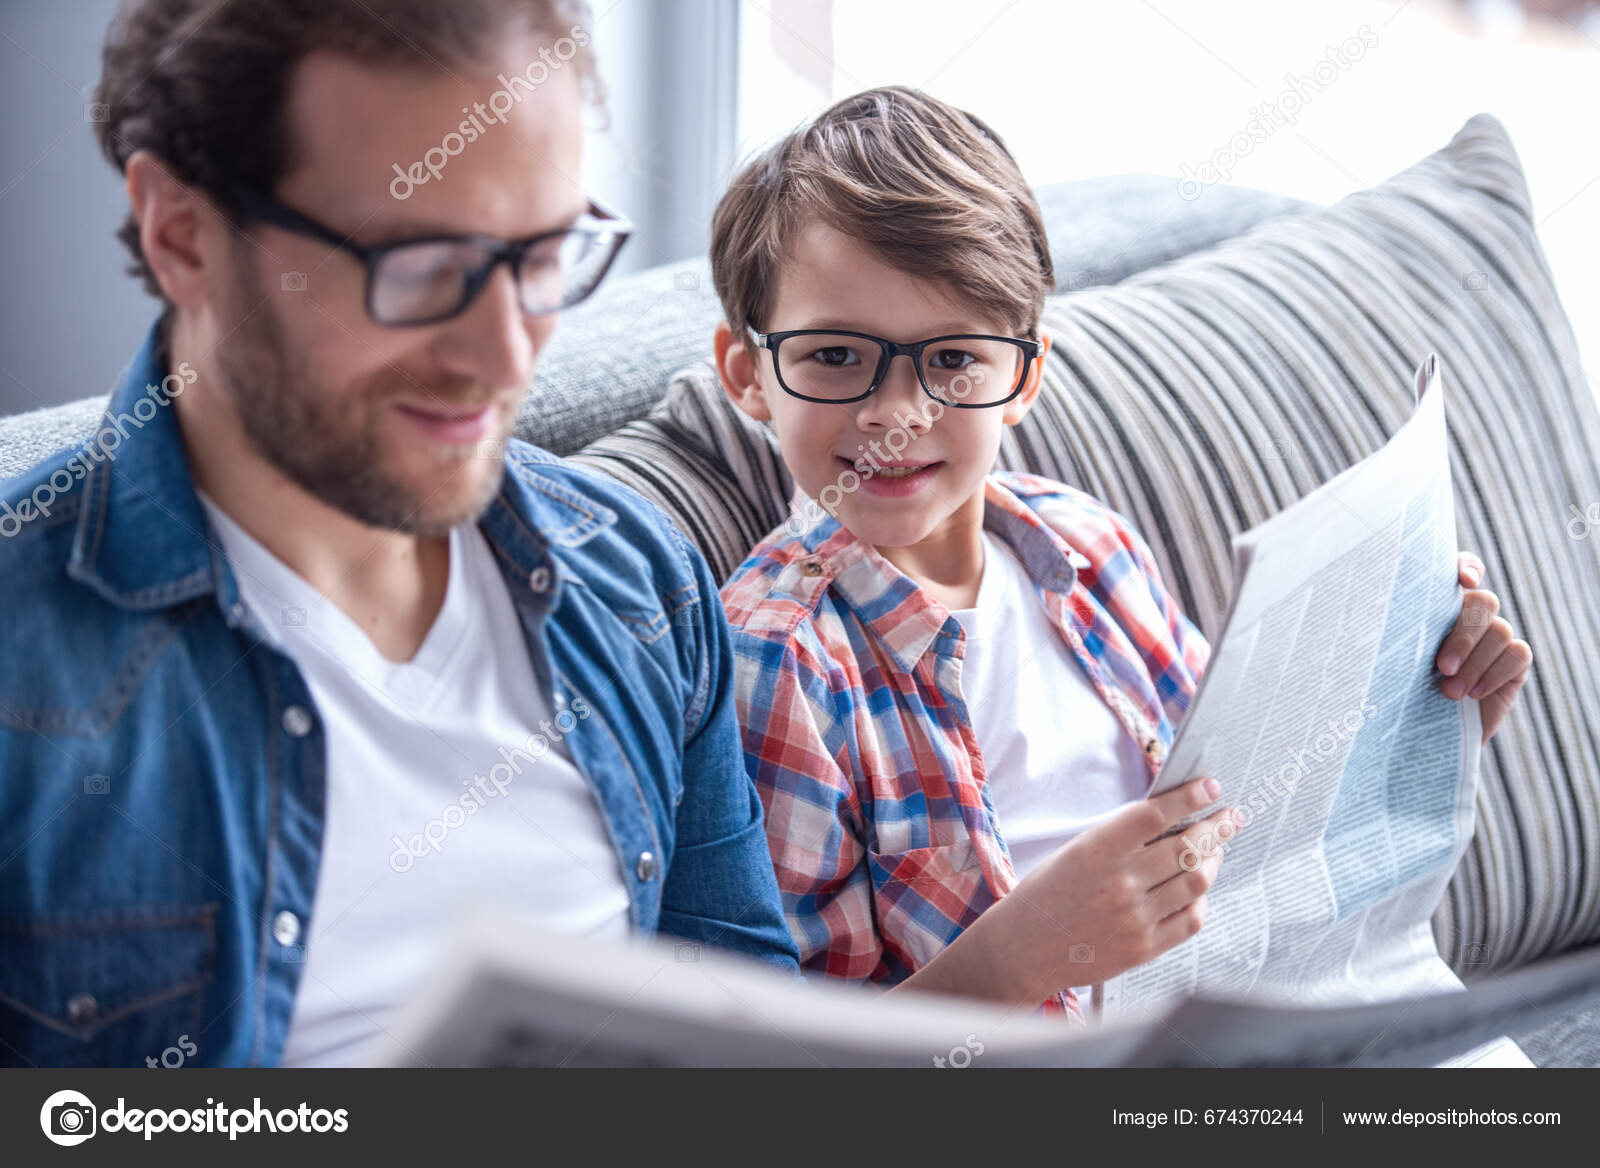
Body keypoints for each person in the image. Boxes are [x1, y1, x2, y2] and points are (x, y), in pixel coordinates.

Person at [0, 0, 795, 1068]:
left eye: (542, 254)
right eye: (423, 263)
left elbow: (750, 1044)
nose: (506, 357)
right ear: (183, 233)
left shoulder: (640, 583)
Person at [710, 86, 1532, 1018]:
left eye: (952, 361)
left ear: (1025, 375)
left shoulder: (1086, 546)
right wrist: (1015, 959)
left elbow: (1246, 832)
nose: (897, 416)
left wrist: (1430, 724)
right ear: (748, 376)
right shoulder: (773, 665)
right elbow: (798, 1070)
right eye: (833, 357)